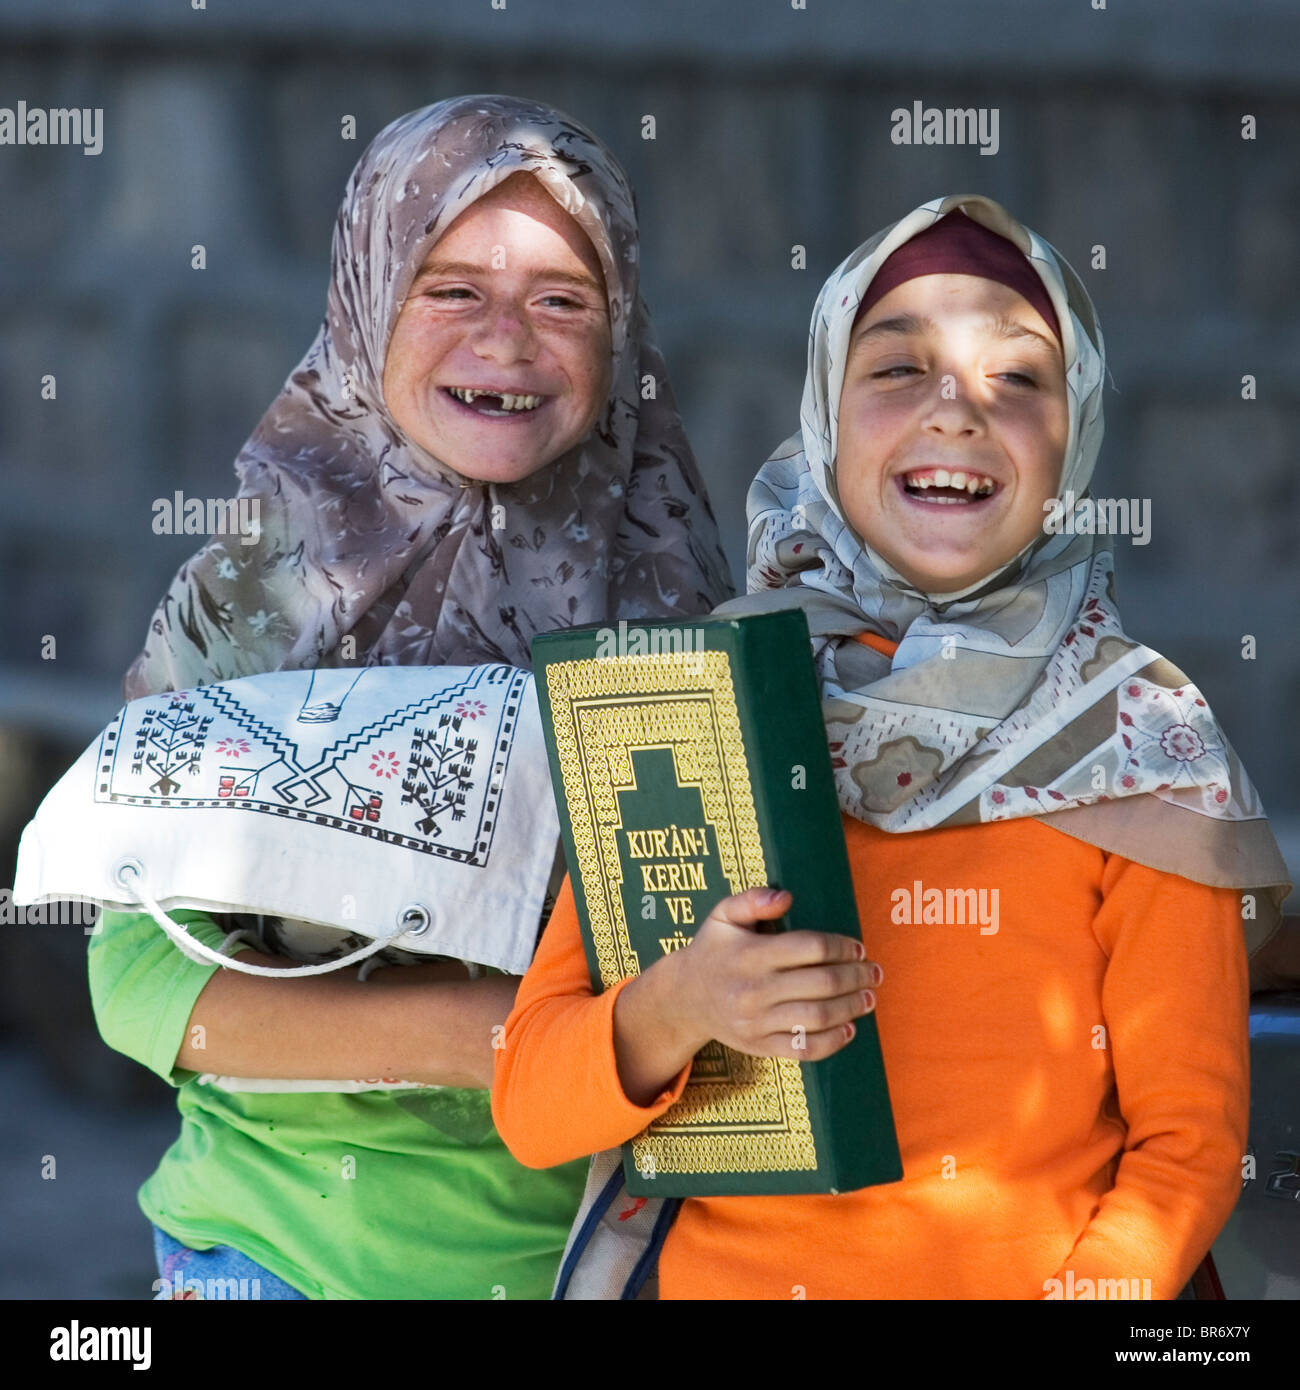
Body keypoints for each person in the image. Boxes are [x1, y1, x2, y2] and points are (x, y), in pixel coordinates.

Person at [491, 194, 1292, 1300]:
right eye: (897, 369)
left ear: (1077, 437)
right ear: (823, 414)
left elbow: (1185, 1148)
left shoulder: (1141, 736)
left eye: (1019, 378)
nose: (959, 411)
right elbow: (533, 1105)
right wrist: (683, 1004)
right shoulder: (706, 695)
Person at [88, 94, 732, 1301]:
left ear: (621, 328)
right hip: (281, 1254)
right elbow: (135, 980)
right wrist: (510, 1043)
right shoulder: (256, 595)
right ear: (367, 294)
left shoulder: (680, 601)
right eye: (449, 289)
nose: (507, 340)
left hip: (604, 1261)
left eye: (562, 298)